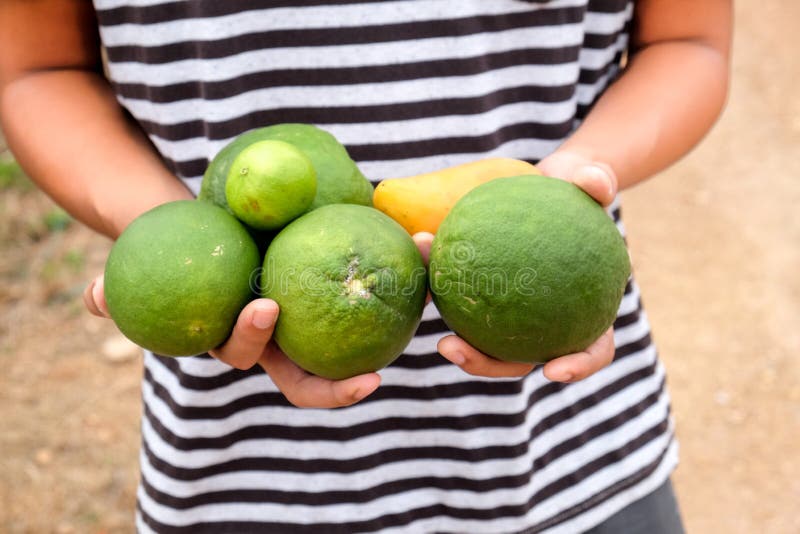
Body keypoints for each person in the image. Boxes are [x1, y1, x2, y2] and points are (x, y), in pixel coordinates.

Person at [0, 0, 731, 532]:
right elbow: (38, 68)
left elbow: (687, 40)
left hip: (565, 444)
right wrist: (180, 240)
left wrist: (585, 174)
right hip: (240, 469)